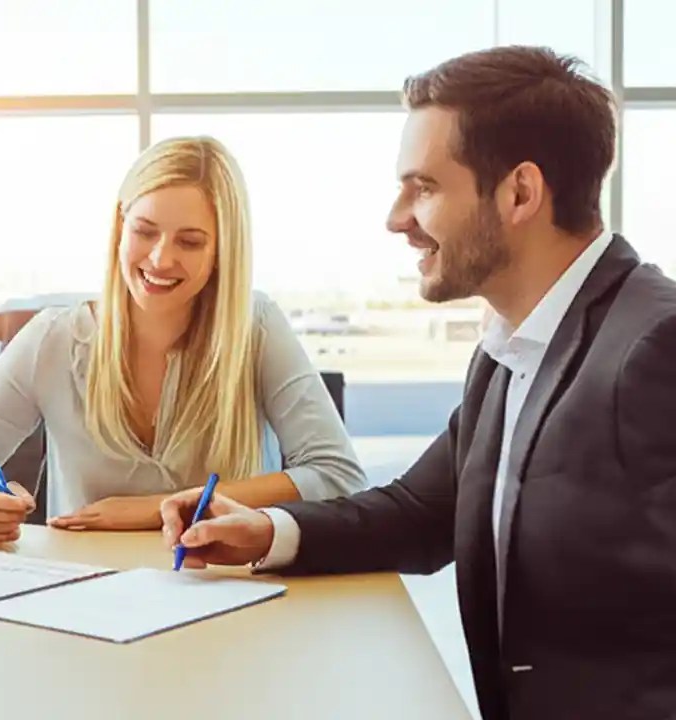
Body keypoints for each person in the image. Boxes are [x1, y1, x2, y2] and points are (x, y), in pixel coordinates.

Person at [160, 46, 676, 720]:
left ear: (520, 192)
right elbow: (423, 513)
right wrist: (266, 530)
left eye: (424, 187)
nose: (397, 217)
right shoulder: (509, 349)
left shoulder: (654, 346)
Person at [0, 136, 365, 544]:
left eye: (189, 242)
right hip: (86, 603)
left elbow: (337, 475)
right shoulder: (52, 340)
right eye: (145, 231)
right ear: (119, 225)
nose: (160, 258)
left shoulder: (255, 326)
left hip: (221, 592)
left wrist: (154, 508)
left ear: (222, 251)